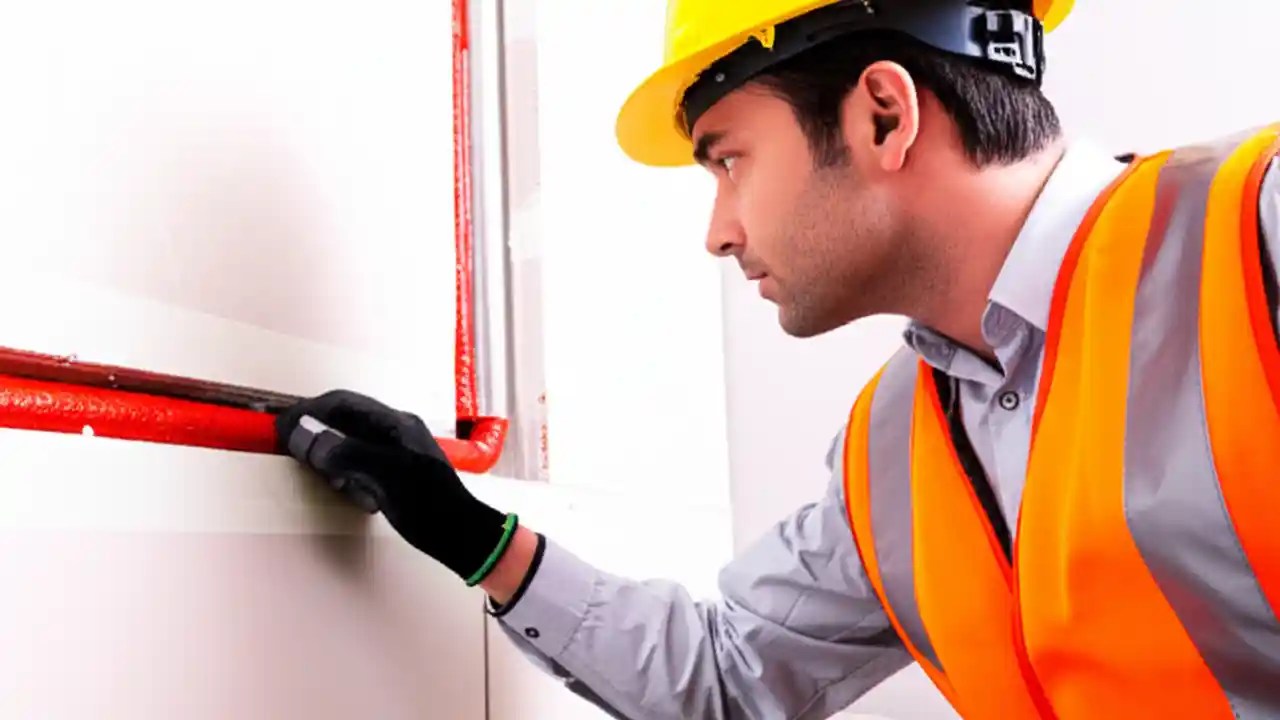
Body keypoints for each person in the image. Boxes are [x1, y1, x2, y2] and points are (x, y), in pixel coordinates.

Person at [274, 0, 1280, 717]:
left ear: (880, 114)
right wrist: (469, 535)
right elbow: (730, 679)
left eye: (726, 160)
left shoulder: (1255, 236)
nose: (717, 231)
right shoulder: (896, 448)